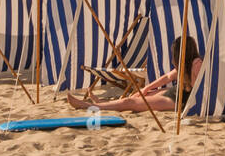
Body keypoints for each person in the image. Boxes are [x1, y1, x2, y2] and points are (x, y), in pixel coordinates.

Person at [66, 36, 202, 113]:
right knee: (142, 95)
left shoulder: (197, 63)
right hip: (174, 92)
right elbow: (167, 77)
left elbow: (200, 91)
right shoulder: (185, 63)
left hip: (178, 101)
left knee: (130, 102)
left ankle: (88, 106)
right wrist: (146, 88)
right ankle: (104, 103)